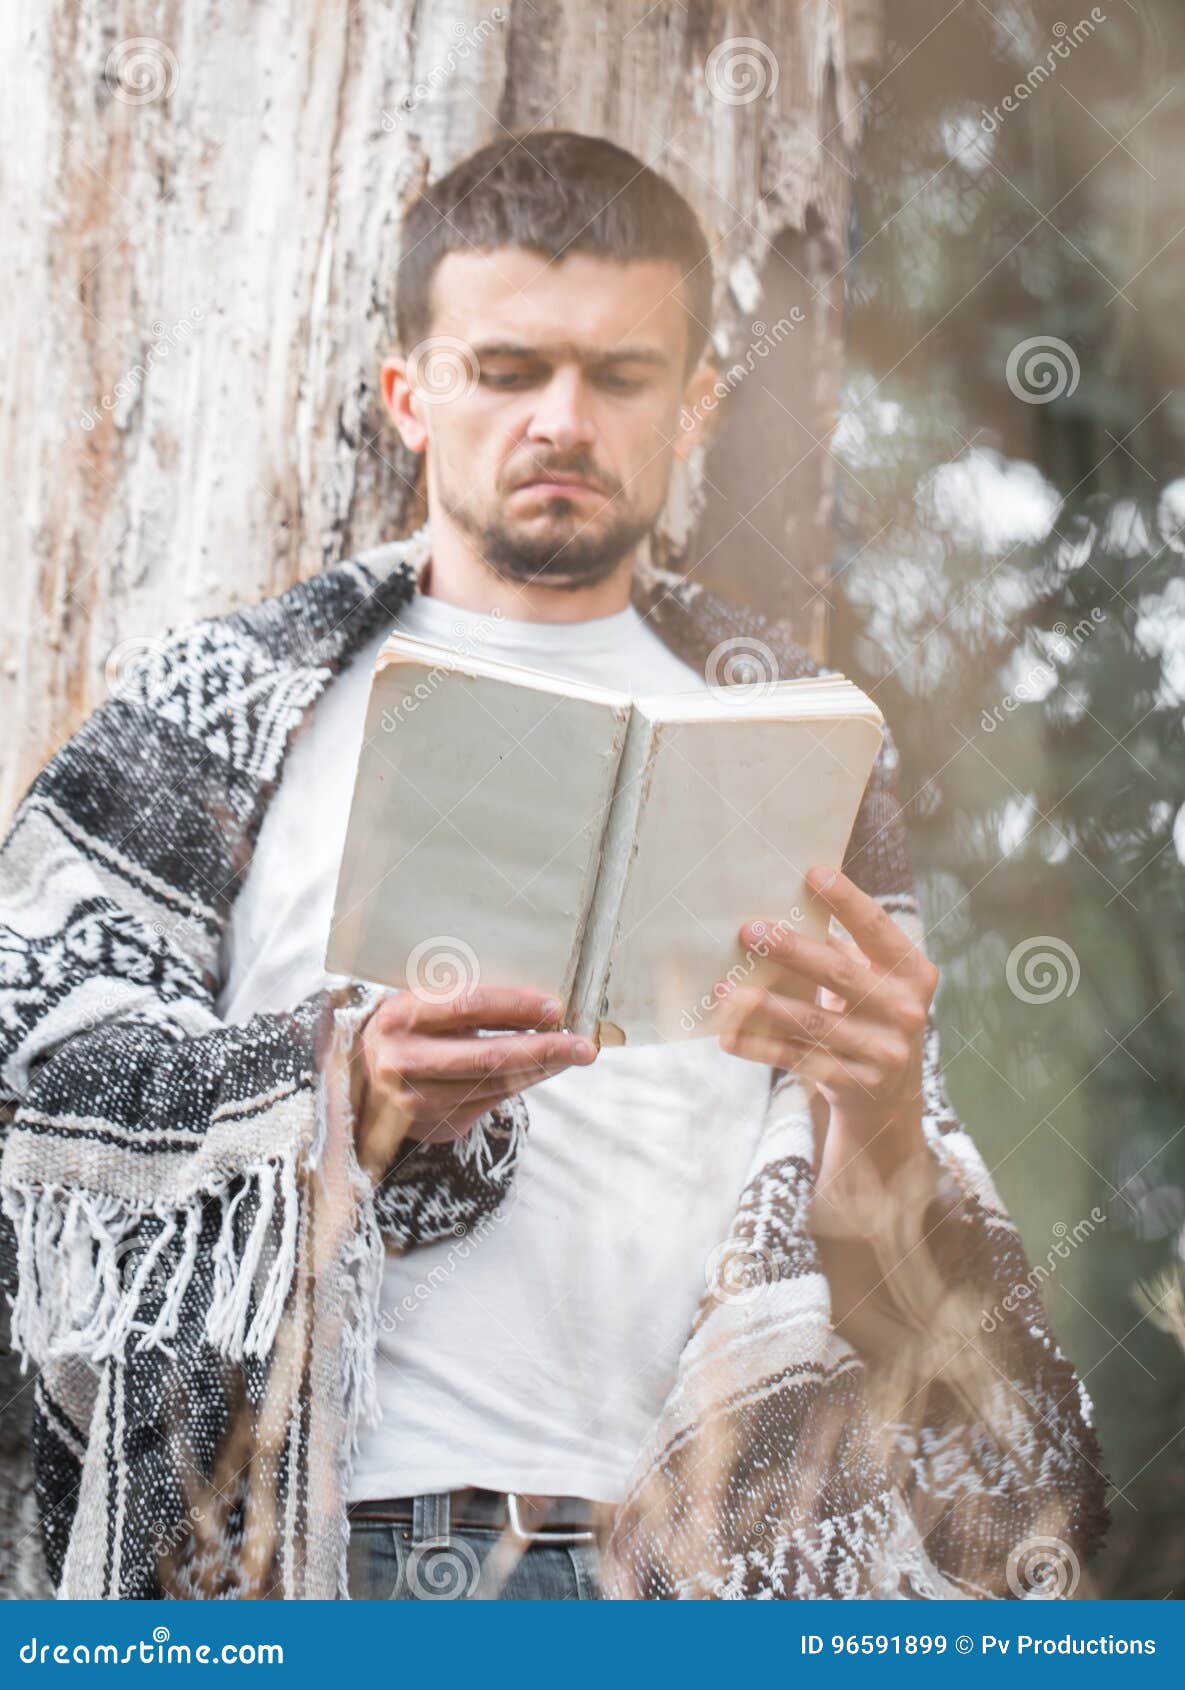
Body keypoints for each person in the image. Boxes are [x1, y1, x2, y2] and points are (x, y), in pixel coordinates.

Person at [0, 131, 1106, 1602]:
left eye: (620, 376)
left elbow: (875, 1263)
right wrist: (342, 1088)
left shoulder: (804, 745)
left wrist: (884, 1110)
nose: (563, 420)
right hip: (315, 1558)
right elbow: (36, 1093)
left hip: (701, 1577)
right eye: (508, 369)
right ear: (411, 393)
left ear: (695, 404)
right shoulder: (222, 712)